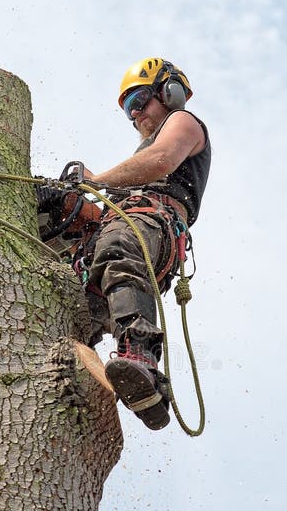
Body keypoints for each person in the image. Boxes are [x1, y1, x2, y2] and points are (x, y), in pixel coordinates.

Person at [79, 57, 211, 431]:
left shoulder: (182, 123)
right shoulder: (140, 151)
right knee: (73, 304)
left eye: (139, 100)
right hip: (112, 235)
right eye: (128, 109)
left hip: (149, 225)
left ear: (168, 92)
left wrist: (98, 180)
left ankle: (140, 356)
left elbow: (161, 159)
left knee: (120, 245)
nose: (135, 113)